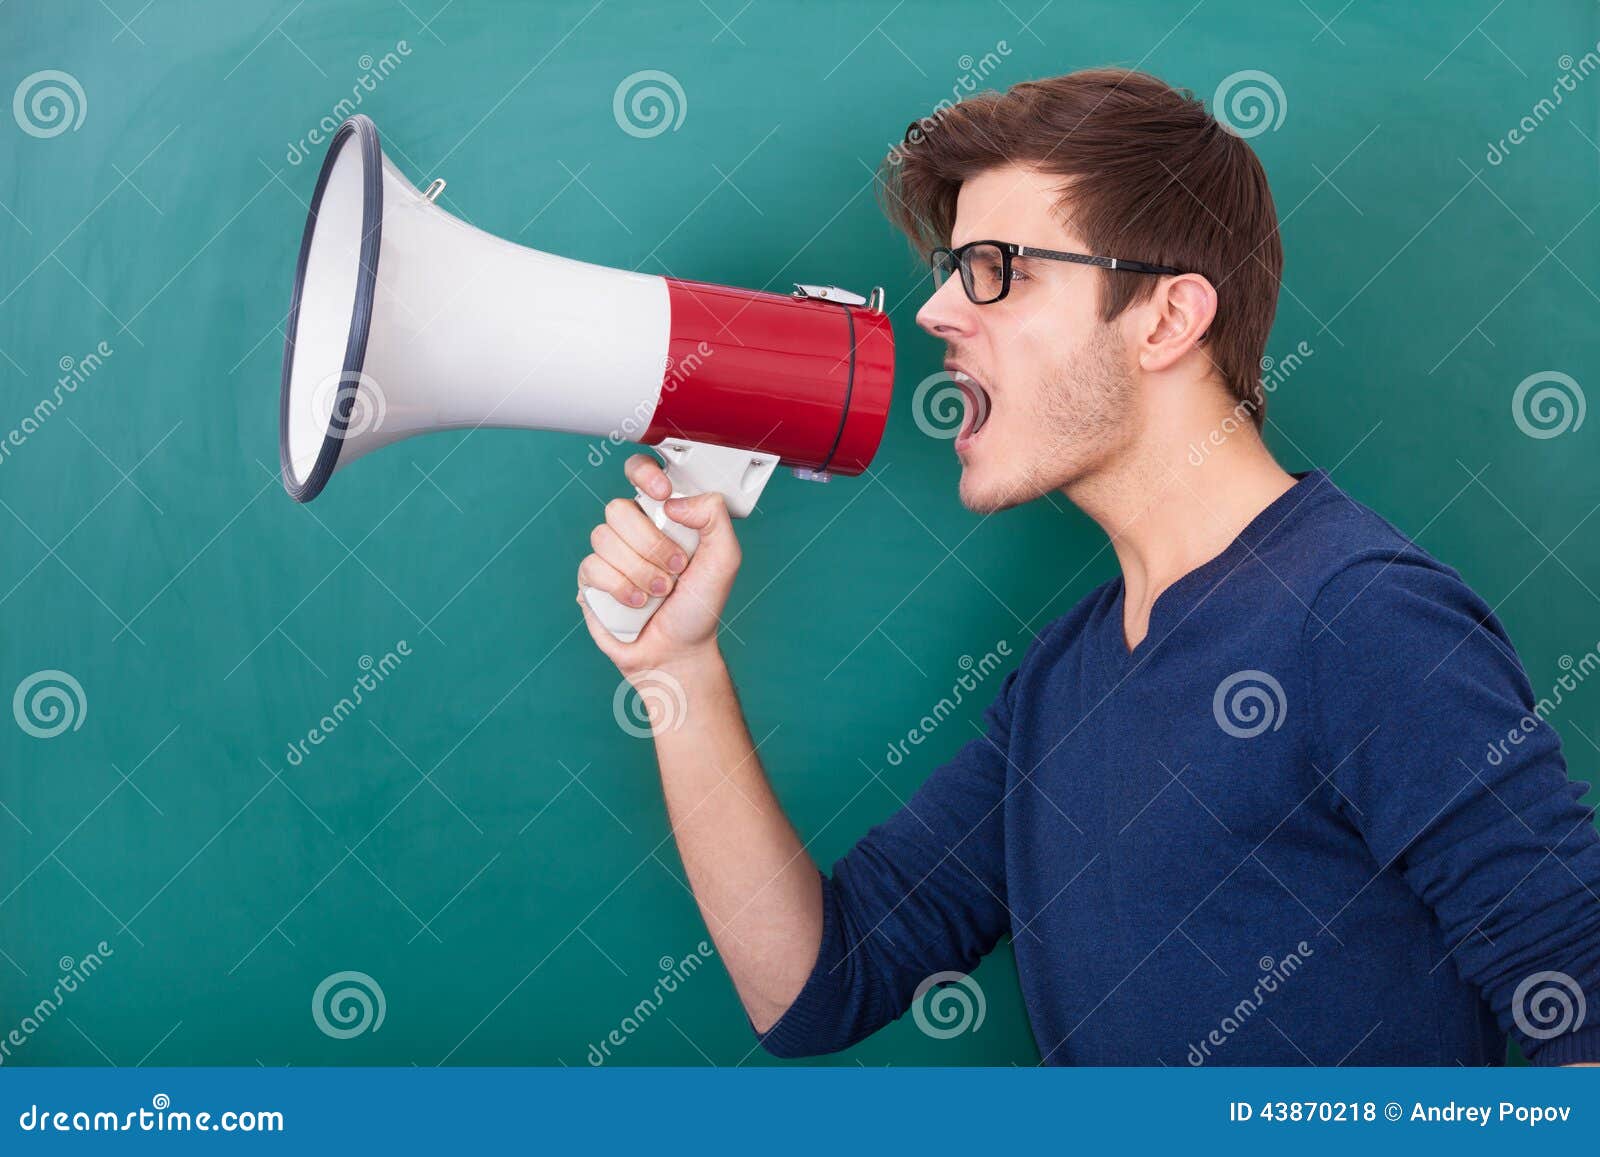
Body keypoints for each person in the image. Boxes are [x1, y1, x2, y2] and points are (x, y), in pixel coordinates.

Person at [574, 68, 1600, 1065]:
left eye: (997, 271)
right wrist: (678, 669)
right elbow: (818, 985)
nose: (934, 313)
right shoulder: (1057, 681)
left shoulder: (1365, 618)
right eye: (949, 270)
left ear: (1166, 317)